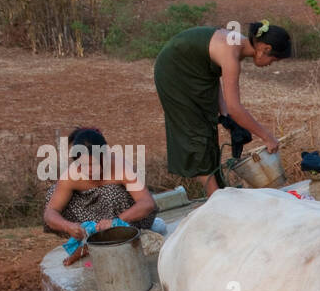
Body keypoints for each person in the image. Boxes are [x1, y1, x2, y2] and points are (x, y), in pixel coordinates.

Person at [154, 20, 292, 196]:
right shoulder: (231, 54)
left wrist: (226, 116)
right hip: (174, 73)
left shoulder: (236, 44)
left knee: (209, 127)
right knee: (195, 133)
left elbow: (212, 75)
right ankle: (216, 199)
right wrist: (267, 137)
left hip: (197, 73)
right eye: (274, 58)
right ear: (265, 48)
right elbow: (236, 107)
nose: (272, 63)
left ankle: (220, 192)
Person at [44, 127, 163, 266]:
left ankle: (125, 235)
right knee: (53, 193)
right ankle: (89, 244)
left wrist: (116, 221)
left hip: (125, 218)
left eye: (93, 164)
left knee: (111, 192)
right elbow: (50, 213)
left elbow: (147, 203)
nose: (89, 170)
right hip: (93, 221)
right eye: (83, 165)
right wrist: (68, 226)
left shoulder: (121, 167)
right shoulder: (70, 176)